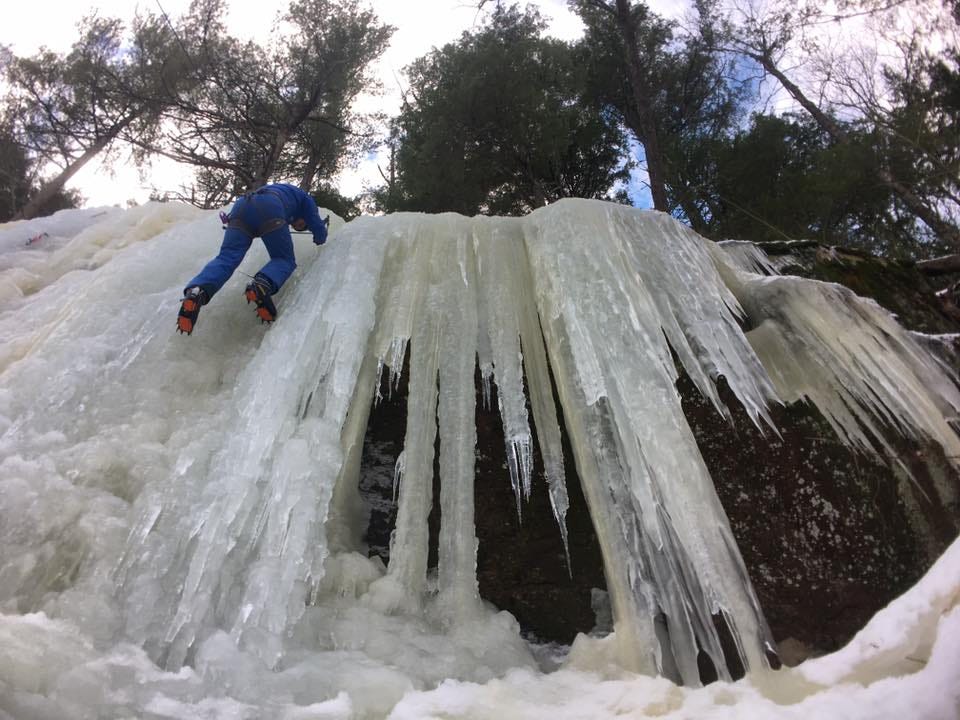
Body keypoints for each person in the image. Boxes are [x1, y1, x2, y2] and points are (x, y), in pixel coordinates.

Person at [176, 183, 329, 334]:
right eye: (301, 224)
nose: (298, 225)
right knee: (284, 259)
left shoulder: (284, 191)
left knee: (227, 257)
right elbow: (317, 225)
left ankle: (197, 291)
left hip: (242, 205)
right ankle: (262, 284)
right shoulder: (306, 200)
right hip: (271, 206)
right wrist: (320, 238)